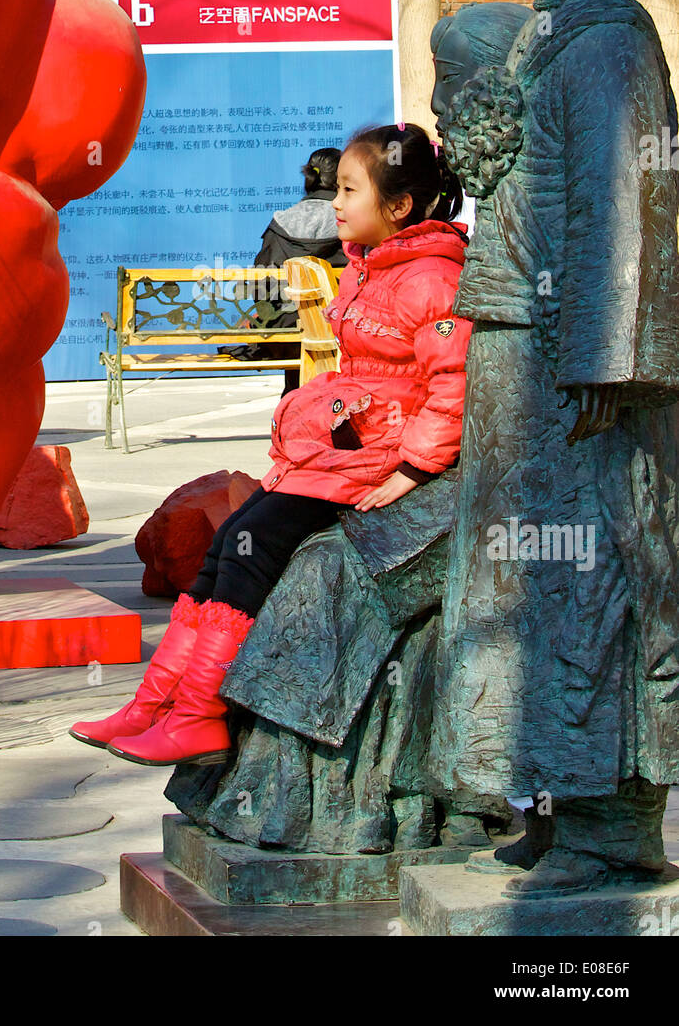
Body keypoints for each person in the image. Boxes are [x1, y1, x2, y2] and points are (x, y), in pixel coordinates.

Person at [430, 0, 679, 898]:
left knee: (587, 582)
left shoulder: (608, 39)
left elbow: (633, 220)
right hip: (514, 361)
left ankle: (606, 811)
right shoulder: (540, 32)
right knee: (520, 592)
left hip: (568, 374)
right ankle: (553, 793)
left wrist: (605, 363)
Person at [70, 122, 471, 769]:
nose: (334, 204)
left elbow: (452, 381)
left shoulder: (432, 276)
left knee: (253, 553)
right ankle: (156, 703)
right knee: (227, 542)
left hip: (368, 463)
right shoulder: (369, 267)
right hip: (337, 454)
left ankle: (200, 714)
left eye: (349, 190)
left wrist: (415, 467)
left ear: (397, 207)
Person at [223, 147, 347, 396]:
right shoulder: (353, 222)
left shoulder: (281, 222)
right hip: (342, 330)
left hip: (287, 335)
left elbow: (262, 286)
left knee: (295, 317)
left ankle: (295, 401)